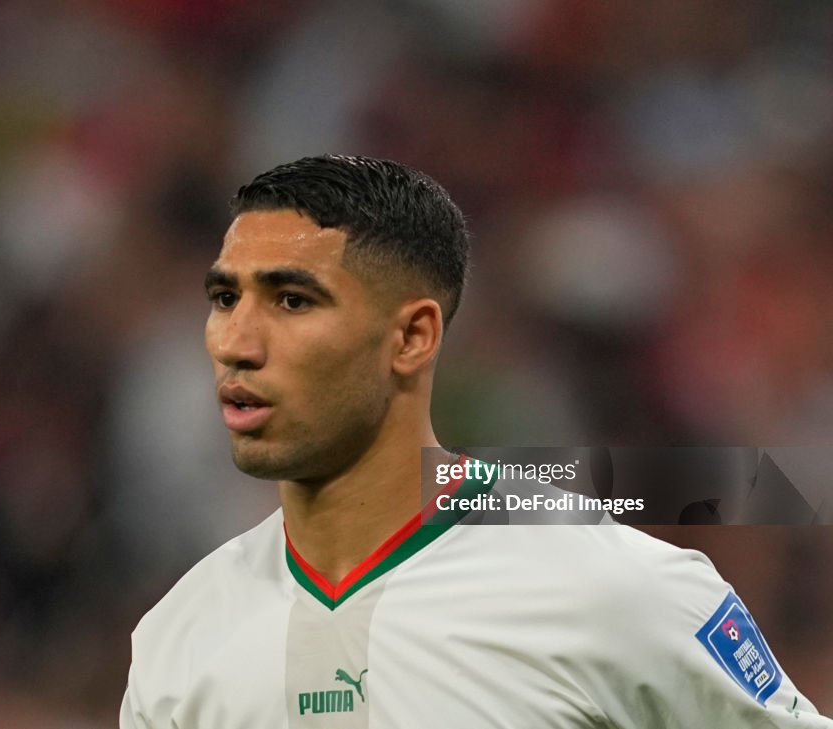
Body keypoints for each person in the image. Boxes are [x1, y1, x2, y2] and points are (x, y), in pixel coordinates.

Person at [120, 155, 831, 728]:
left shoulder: (612, 588)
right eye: (224, 299)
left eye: (293, 301)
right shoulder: (178, 637)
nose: (236, 342)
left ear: (412, 336)